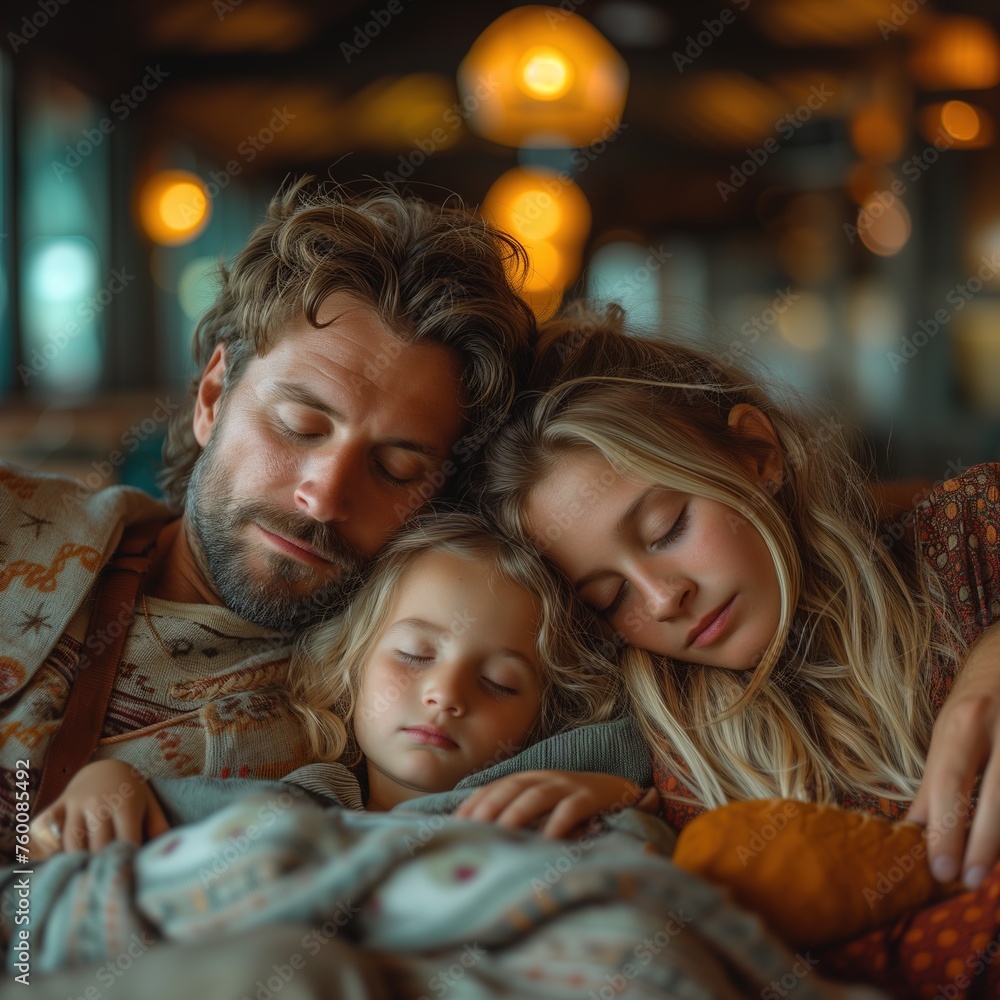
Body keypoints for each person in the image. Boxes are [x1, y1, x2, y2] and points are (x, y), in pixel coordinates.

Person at [0, 177, 536, 860]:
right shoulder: (16, 522)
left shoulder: (391, 721)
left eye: (396, 469)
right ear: (212, 397)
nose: (324, 498)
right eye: (299, 426)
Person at [476, 302, 1000, 893]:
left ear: (757, 454)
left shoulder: (967, 533)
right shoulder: (668, 749)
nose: (662, 599)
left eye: (667, 529)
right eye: (609, 597)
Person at [29, 511, 649, 855]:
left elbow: (645, 777)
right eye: (412, 654)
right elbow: (181, 823)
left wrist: (614, 795)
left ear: (544, 714)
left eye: (500, 683)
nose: (445, 695)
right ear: (349, 667)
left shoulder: (548, 780)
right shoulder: (308, 802)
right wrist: (111, 781)